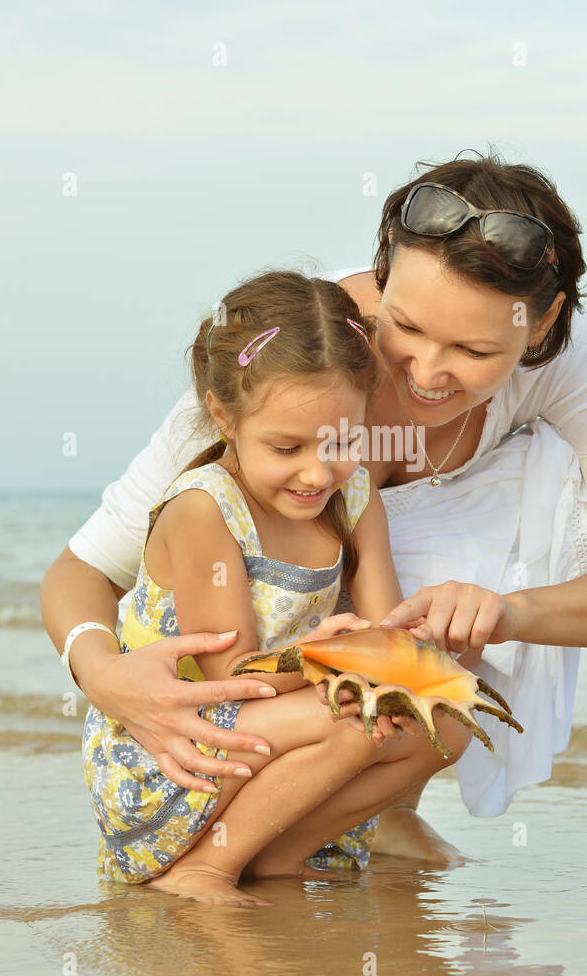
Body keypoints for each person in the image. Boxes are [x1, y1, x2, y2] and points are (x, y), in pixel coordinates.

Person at [41, 152, 587, 858]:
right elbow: (81, 571)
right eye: (407, 328)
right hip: (269, 677)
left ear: (538, 325)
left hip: (359, 642)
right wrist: (105, 674)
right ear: (381, 277)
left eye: (472, 350)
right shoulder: (286, 360)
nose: (425, 372)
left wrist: (511, 611)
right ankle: (269, 829)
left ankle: (356, 808)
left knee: (549, 473)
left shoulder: (567, 359)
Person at [81, 271, 472, 905]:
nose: (317, 471)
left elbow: (386, 632)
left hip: (275, 732)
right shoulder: (206, 511)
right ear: (223, 416)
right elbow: (230, 677)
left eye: (343, 440)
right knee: (357, 718)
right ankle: (206, 866)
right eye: (287, 446)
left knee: (441, 716)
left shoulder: (354, 497)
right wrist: (322, 658)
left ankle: (277, 858)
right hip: (181, 751)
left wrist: (420, 645)